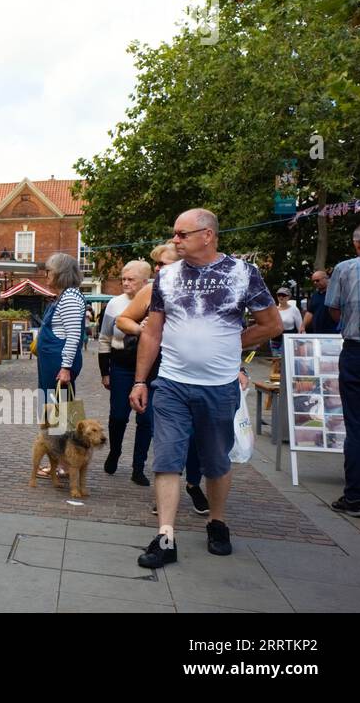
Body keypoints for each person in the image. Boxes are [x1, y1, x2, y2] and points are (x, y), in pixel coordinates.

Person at [130, 209, 281, 568]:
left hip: (219, 386)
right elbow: (152, 331)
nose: (175, 240)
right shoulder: (166, 276)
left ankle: (217, 522)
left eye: (182, 234)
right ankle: (166, 536)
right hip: (171, 384)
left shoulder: (244, 273)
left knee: (215, 461)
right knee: (166, 458)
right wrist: (140, 380)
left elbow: (271, 323)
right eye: (175, 235)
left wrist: (234, 343)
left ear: (208, 235)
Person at [117, 243, 206, 505]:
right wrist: (140, 328)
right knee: (168, 438)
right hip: (161, 374)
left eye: (162, 264)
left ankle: (193, 483)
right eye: (155, 264)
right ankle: (166, 494)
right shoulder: (154, 288)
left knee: (196, 437)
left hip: (198, 373)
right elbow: (123, 320)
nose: (157, 269)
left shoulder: (205, 288)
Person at [326, 222, 360, 518]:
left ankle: (355, 498)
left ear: (357, 244)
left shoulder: (345, 268)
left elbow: (334, 309)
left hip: (358, 352)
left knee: (358, 426)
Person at [98, 260, 152, 480]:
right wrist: (105, 372)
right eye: (123, 279)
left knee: (147, 420)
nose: (126, 283)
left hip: (149, 369)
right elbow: (104, 339)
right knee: (118, 416)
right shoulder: (114, 304)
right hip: (121, 365)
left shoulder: (155, 302)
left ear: (145, 282)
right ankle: (115, 451)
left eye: (131, 279)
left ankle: (138, 467)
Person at [35, 252, 86, 478]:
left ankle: (66, 465)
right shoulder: (64, 297)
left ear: (61, 273)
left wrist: (65, 368)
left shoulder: (71, 299)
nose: (46, 275)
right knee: (58, 413)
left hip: (58, 365)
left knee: (61, 414)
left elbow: (74, 336)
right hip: (52, 364)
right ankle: (63, 463)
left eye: (49, 271)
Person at [272, 287, 305, 354]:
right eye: (279, 295)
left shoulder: (294, 309)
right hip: (275, 340)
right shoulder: (274, 309)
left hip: (289, 340)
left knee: (287, 361)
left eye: (284, 295)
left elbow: (300, 327)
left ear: (288, 297)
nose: (281, 297)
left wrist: (302, 343)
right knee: (276, 362)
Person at [304, 270, 336, 334]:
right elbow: (310, 312)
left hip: (333, 332)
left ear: (326, 279)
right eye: (313, 281)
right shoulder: (315, 295)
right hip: (317, 332)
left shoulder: (335, 293)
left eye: (317, 280)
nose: (315, 283)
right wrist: (303, 326)